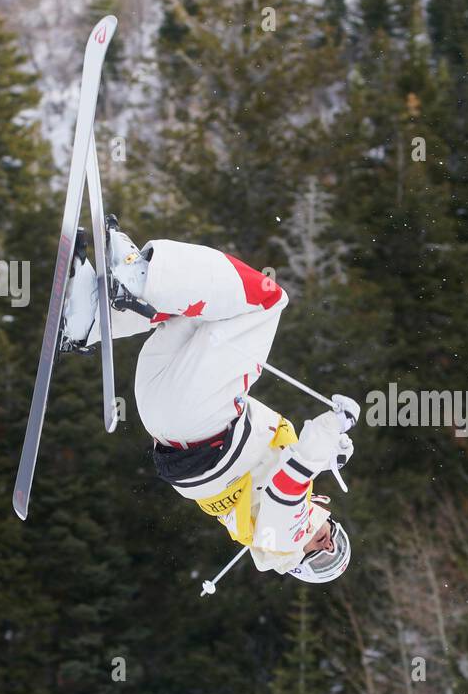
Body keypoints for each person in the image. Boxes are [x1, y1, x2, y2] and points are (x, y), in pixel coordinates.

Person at [59, 217, 357, 583]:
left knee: (266, 299)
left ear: (296, 562)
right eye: (333, 540)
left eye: (319, 556)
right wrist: (329, 455)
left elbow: (286, 490)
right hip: (170, 415)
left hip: (198, 420)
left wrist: (326, 435)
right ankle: (91, 318)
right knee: (203, 310)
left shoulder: (281, 540)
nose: (324, 544)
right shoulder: (274, 520)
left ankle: (138, 278)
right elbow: (282, 473)